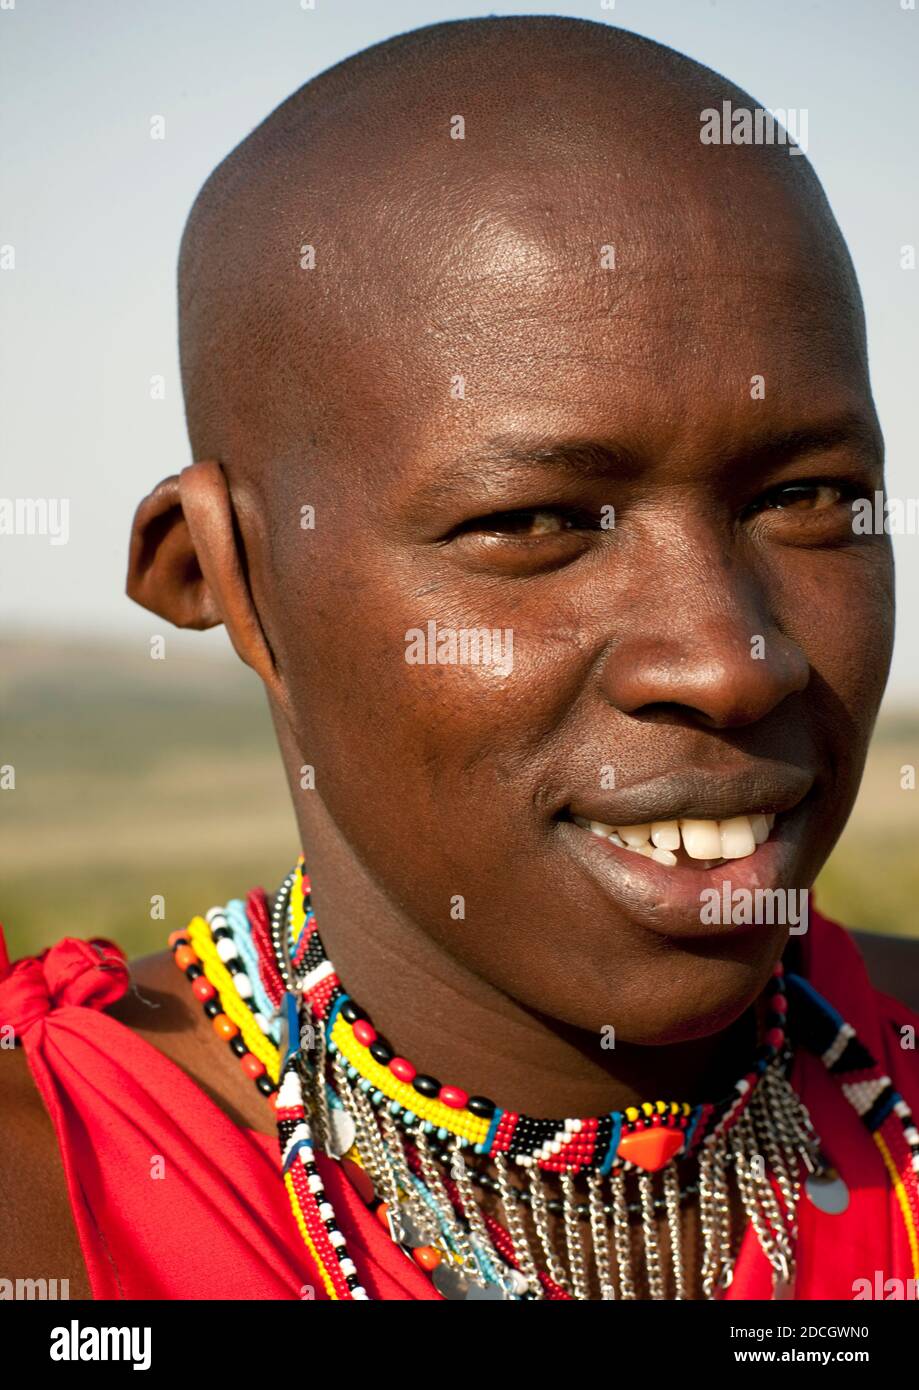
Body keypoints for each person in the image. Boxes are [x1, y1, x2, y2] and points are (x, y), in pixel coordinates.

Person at [2, 15, 918, 1303]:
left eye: (810, 496)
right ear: (231, 579)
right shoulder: (49, 1205)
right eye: (533, 523)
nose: (727, 661)